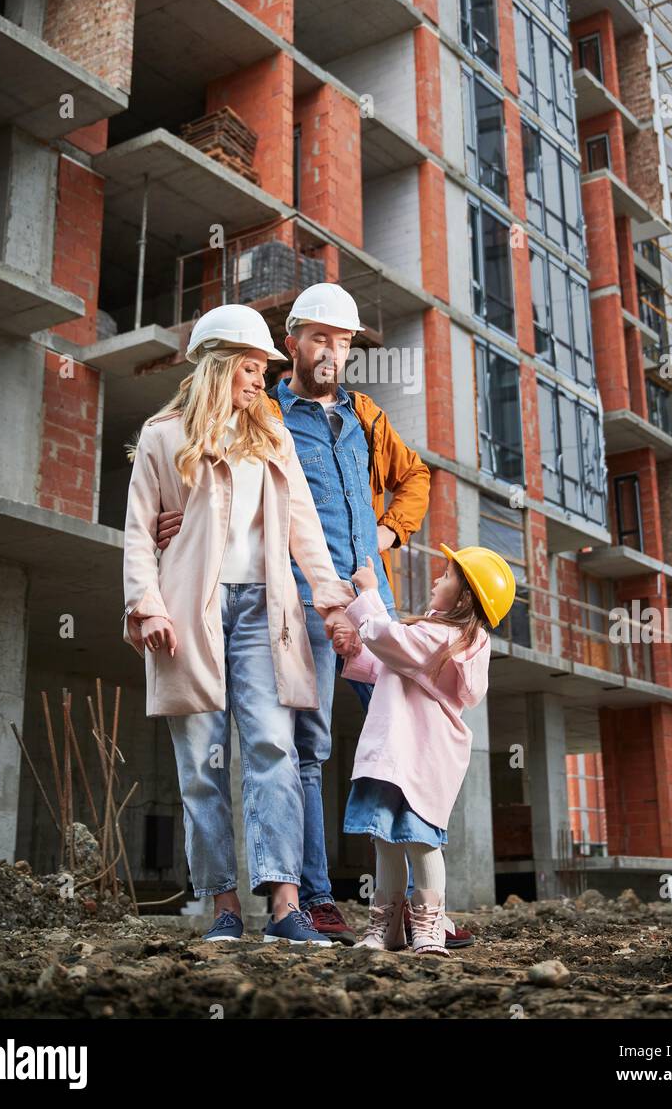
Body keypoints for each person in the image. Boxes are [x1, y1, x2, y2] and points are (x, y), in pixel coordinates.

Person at [155, 282, 437, 946]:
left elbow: (416, 478)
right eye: (319, 338)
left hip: (370, 600)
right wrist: (183, 522)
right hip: (292, 600)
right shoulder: (264, 413)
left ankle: (416, 904)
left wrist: (389, 536)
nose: (331, 352)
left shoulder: (366, 416)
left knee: (401, 740)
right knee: (303, 749)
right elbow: (216, 482)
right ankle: (313, 900)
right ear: (292, 345)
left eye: (341, 341)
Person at [121, 304, 357, 947]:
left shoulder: (271, 437)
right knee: (199, 761)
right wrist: (147, 607)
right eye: (250, 368)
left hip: (264, 612)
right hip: (187, 614)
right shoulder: (163, 435)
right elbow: (140, 530)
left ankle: (285, 905)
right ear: (219, 366)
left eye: (263, 369)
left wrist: (332, 604)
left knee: (273, 748)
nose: (261, 380)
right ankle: (222, 905)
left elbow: (304, 529)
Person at [331, 544, 515, 954]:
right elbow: (392, 663)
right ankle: (388, 928)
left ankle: (426, 926)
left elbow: (389, 638)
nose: (437, 579)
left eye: (447, 575)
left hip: (412, 756)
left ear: (466, 596)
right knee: (387, 838)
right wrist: (359, 651)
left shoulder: (450, 637)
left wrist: (368, 594)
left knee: (418, 839)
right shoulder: (437, 637)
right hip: (401, 756)